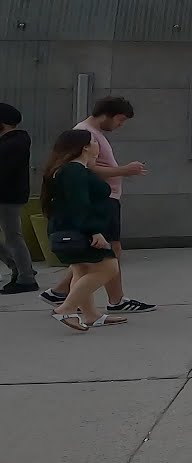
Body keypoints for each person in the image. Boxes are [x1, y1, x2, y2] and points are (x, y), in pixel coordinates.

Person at [41, 97, 152, 313]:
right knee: (105, 256)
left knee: (88, 261)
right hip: (100, 203)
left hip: (102, 201)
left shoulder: (91, 136)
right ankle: (109, 301)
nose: (120, 126)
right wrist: (124, 170)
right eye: (120, 120)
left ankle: (64, 296)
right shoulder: (86, 135)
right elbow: (85, 172)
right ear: (107, 114)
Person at [42, 130, 128, 330]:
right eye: (94, 142)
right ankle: (66, 309)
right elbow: (80, 204)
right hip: (80, 230)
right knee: (108, 267)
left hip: (70, 229)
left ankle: (90, 314)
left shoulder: (67, 170)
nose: (97, 146)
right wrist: (94, 230)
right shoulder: (74, 170)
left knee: (82, 270)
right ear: (85, 147)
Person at [0, 103, 38, 295]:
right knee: (12, 237)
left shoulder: (13, 144)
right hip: (9, 196)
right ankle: (22, 268)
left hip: (8, 197)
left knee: (13, 237)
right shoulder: (11, 142)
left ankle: (26, 278)